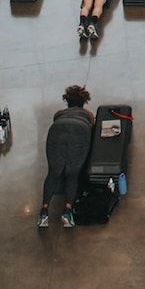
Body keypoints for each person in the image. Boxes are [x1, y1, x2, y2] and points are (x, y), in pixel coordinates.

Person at [38, 86, 95, 228]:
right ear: (83, 101)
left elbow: (56, 119)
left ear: (67, 101)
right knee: (72, 174)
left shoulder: (59, 113)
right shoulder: (88, 114)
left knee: (53, 172)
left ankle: (44, 213)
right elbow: (91, 125)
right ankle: (67, 212)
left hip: (57, 130)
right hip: (80, 130)